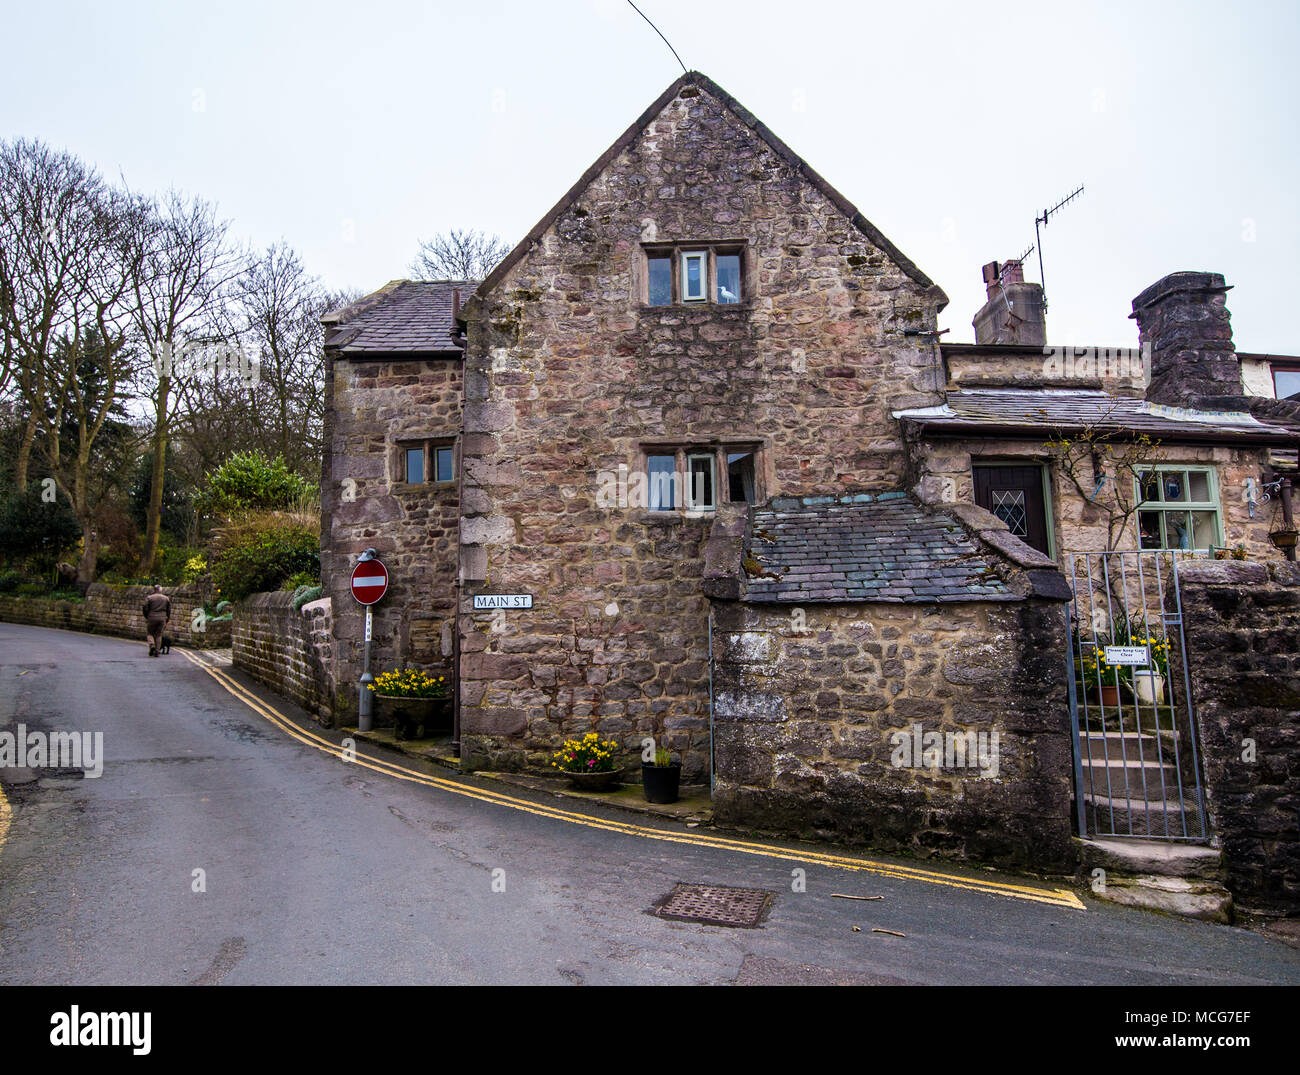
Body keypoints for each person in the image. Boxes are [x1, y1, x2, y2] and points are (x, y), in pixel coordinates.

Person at [142, 585, 171, 658]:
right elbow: (169, 610)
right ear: (160, 590)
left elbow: (144, 607)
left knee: (150, 633)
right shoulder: (166, 598)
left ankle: (152, 645)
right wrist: (167, 618)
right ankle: (157, 651)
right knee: (158, 635)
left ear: (154, 590)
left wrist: (147, 616)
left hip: (151, 617)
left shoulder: (149, 598)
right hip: (162, 618)